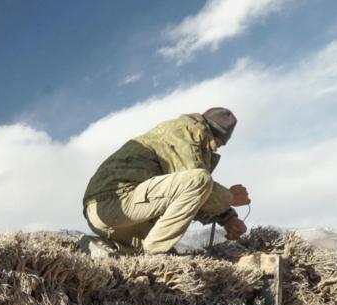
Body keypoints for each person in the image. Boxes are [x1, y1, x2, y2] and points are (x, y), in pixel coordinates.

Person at [83, 108, 250, 254]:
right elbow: (195, 183)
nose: (214, 150)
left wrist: (227, 218)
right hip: (114, 204)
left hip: (123, 218)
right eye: (216, 145)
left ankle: (116, 251)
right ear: (212, 134)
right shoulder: (186, 131)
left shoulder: (187, 133)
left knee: (164, 250)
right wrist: (229, 197)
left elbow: (190, 198)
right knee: (199, 179)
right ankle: (154, 254)